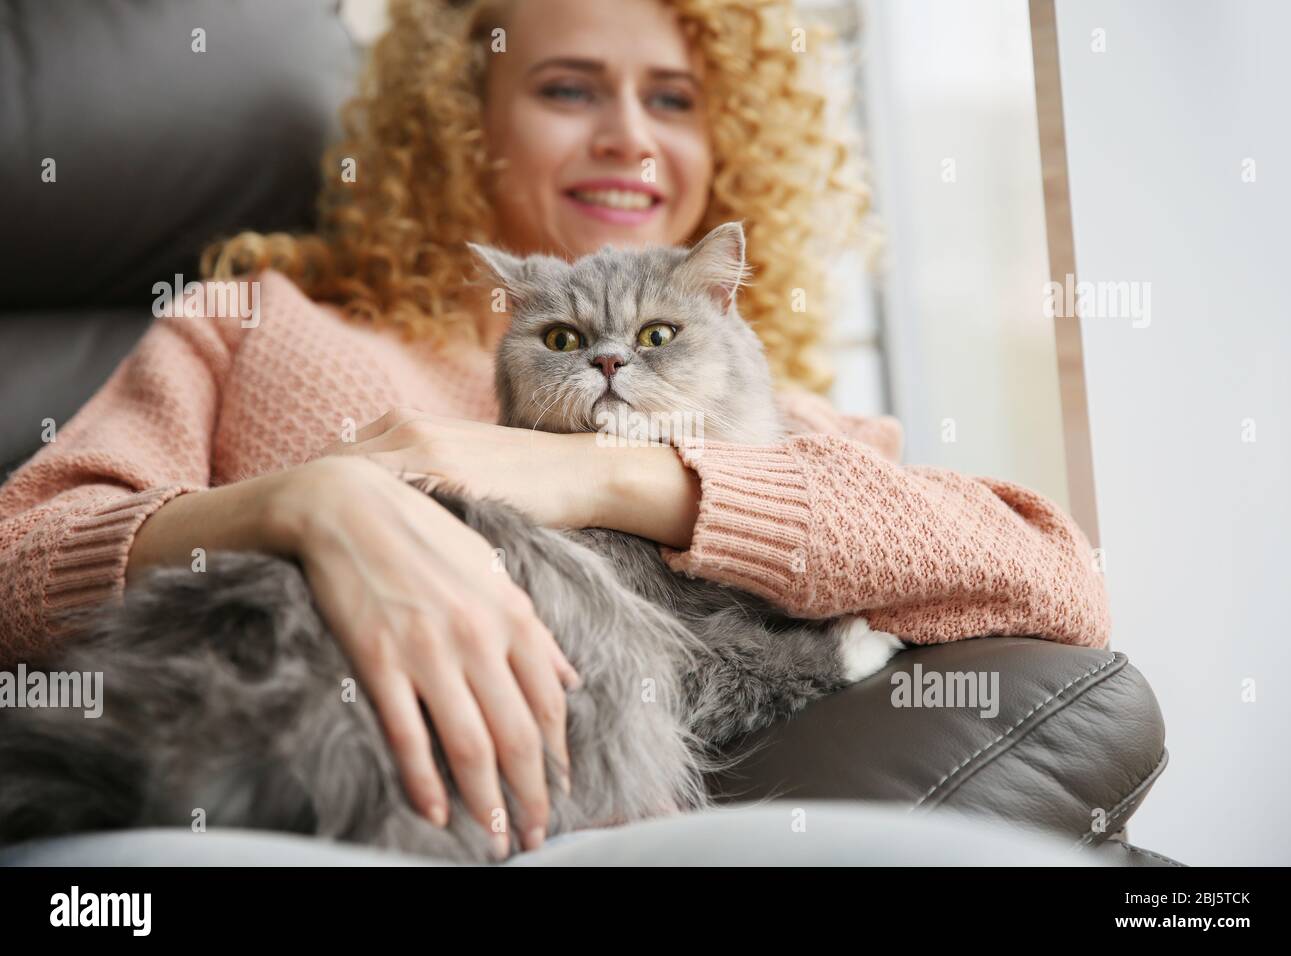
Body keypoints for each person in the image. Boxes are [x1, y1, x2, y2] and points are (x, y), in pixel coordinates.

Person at [0, 0, 1109, 862]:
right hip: (262, 774)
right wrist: (305, 501)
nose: (628, 137)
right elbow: (18, 564)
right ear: (462, 113)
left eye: (673, 99)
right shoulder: (256, 320)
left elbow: (1052, 578)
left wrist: (617, 480)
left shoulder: (767, 418)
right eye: (570, 88)